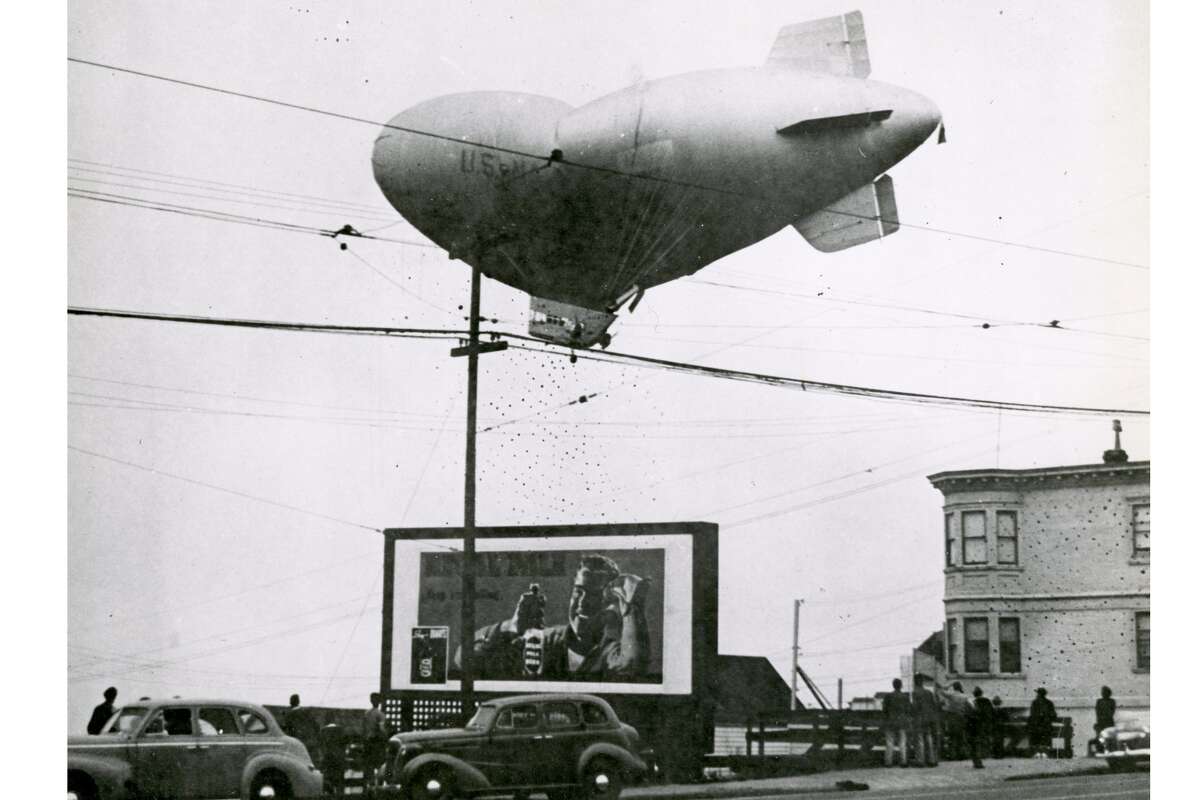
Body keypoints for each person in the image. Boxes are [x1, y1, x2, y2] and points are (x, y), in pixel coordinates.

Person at [456, 554, 650, 681]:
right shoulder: (542, 641)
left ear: (611, 606)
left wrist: (632, 608)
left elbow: (632, 667)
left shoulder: (610, 653)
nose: (582, 603)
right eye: (578, 592)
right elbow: (464, 660)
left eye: (594, 595)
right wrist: (509, 627)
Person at [881, 678, 911, 767]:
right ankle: (903, 762)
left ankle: (888, 762)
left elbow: (884, 710)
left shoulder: (888, 696)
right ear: (901, 686)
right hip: (902, 722)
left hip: (890, 722)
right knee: (902, 743)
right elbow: (908, 709)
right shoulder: (905, 697)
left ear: (893, 685)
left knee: (889, 743)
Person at [361, 692, 390, 788]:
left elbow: (363, 729)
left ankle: (370, 783)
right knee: (380, 763)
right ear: (379, 701)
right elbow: (382, 729)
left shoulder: (366, 714)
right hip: (377, 742)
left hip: (367, 742)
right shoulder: (380, 714)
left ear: (371, 701)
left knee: (369, 765)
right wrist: (386, 738)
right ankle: (379, 785)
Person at [911, 674, 940, 767]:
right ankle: (931, 760)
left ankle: (920, 761)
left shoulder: (915, 693)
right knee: (929, 738)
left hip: (919, 719)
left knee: (920, 739)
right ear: (922, 682)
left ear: (915, 682)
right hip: (929, 718)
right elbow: (934, 705)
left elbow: (915, 707)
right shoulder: (929, 692)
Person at [940, 682, 971, 760]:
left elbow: (941, 691)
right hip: (962, 717)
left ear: (954, 687)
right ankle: (962, 754)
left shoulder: (951, 695)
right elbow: (969, 707)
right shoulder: (965, 696)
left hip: (952, 717)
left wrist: (949, 684)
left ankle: (952, 755)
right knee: (961, 737)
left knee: (952, 736)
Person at [966, 688, 994, 769]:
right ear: (981, 693)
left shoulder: (973, 702)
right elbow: (991, 713)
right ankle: (982, 758)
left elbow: (970, 714)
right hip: (985, 725)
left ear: (974, 694)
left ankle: (977, 762)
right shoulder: (987, 701)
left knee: (975, 744)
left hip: (975, 726)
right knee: (982, 742)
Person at [1027, 688, 1057, 758]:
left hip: (1041, 725)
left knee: (1039, 736)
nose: (1037, 695)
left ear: (1040, 694)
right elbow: (1033, 714)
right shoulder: (1046, 703)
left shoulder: (1037, 702)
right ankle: (1041, 752)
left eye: (1038, 694)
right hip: (1042, 725)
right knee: (1041, 736)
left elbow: (1032, 714)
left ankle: (1040, 752)